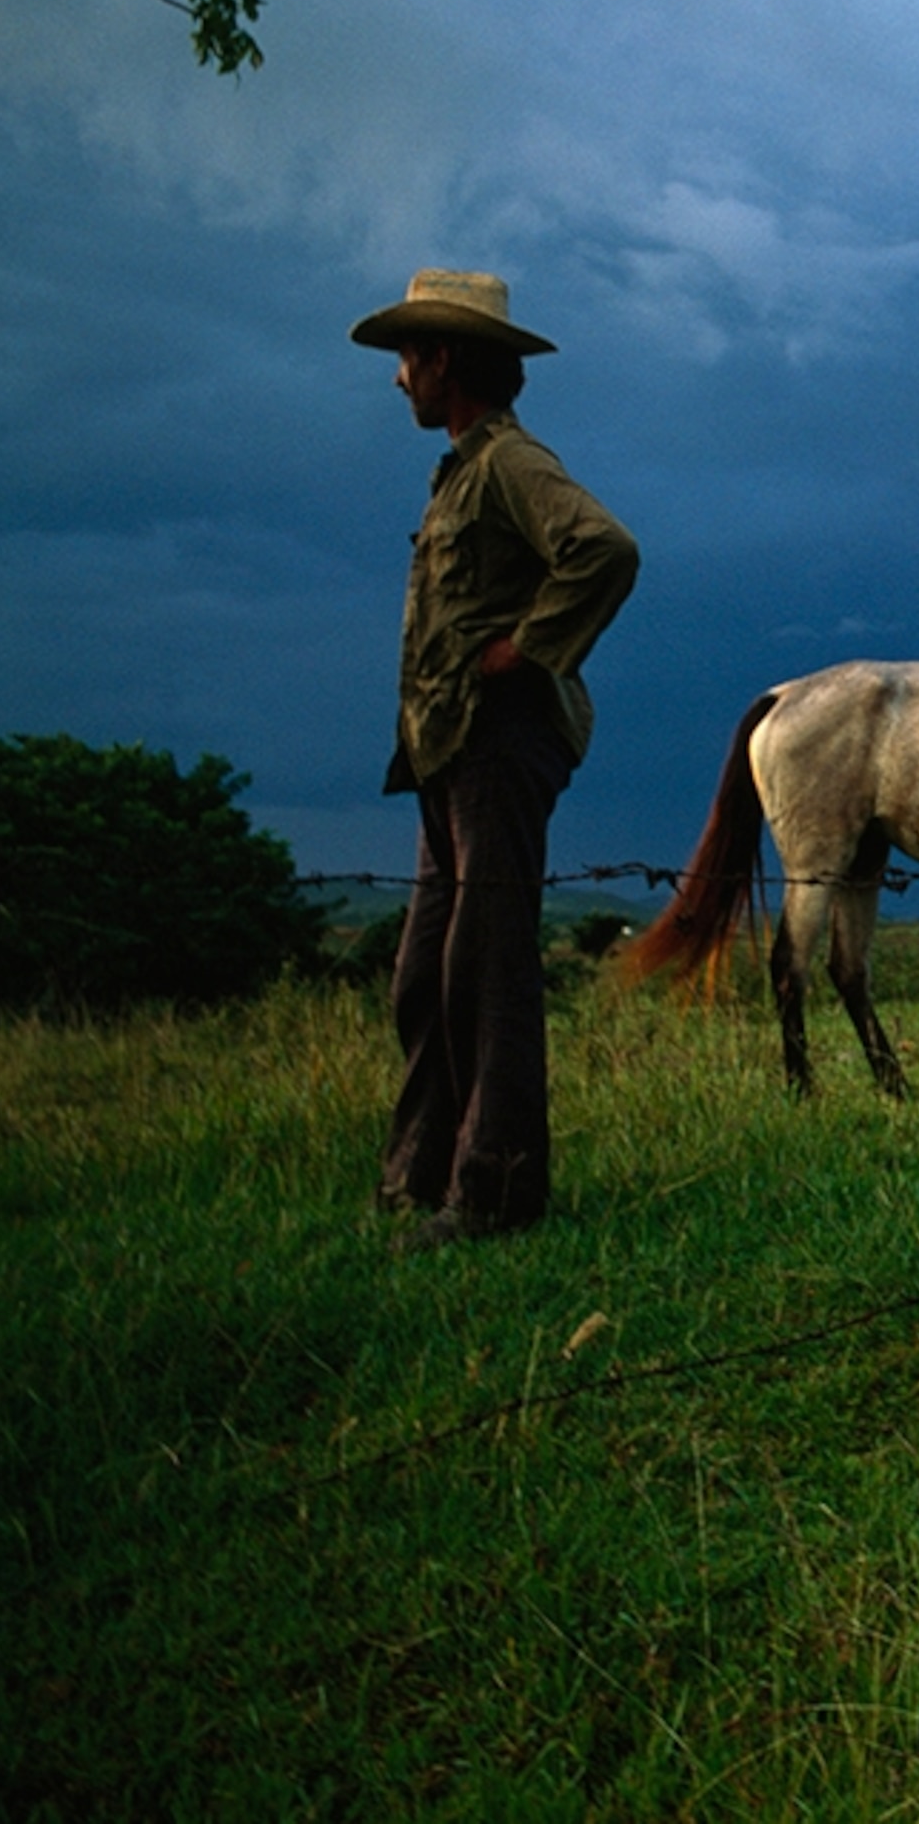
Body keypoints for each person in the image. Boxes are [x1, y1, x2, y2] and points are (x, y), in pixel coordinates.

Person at [351, 270, 640, 1250]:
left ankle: (495, 1196)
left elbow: (603, 547)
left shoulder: (511, 463)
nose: (397, 379)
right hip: (449, 751)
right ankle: (418, 1178)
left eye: (407, 358)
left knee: (487, 968)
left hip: (500, 740)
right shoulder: (460, 470)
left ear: (444, 360)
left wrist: (527, 648)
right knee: (426, 975)